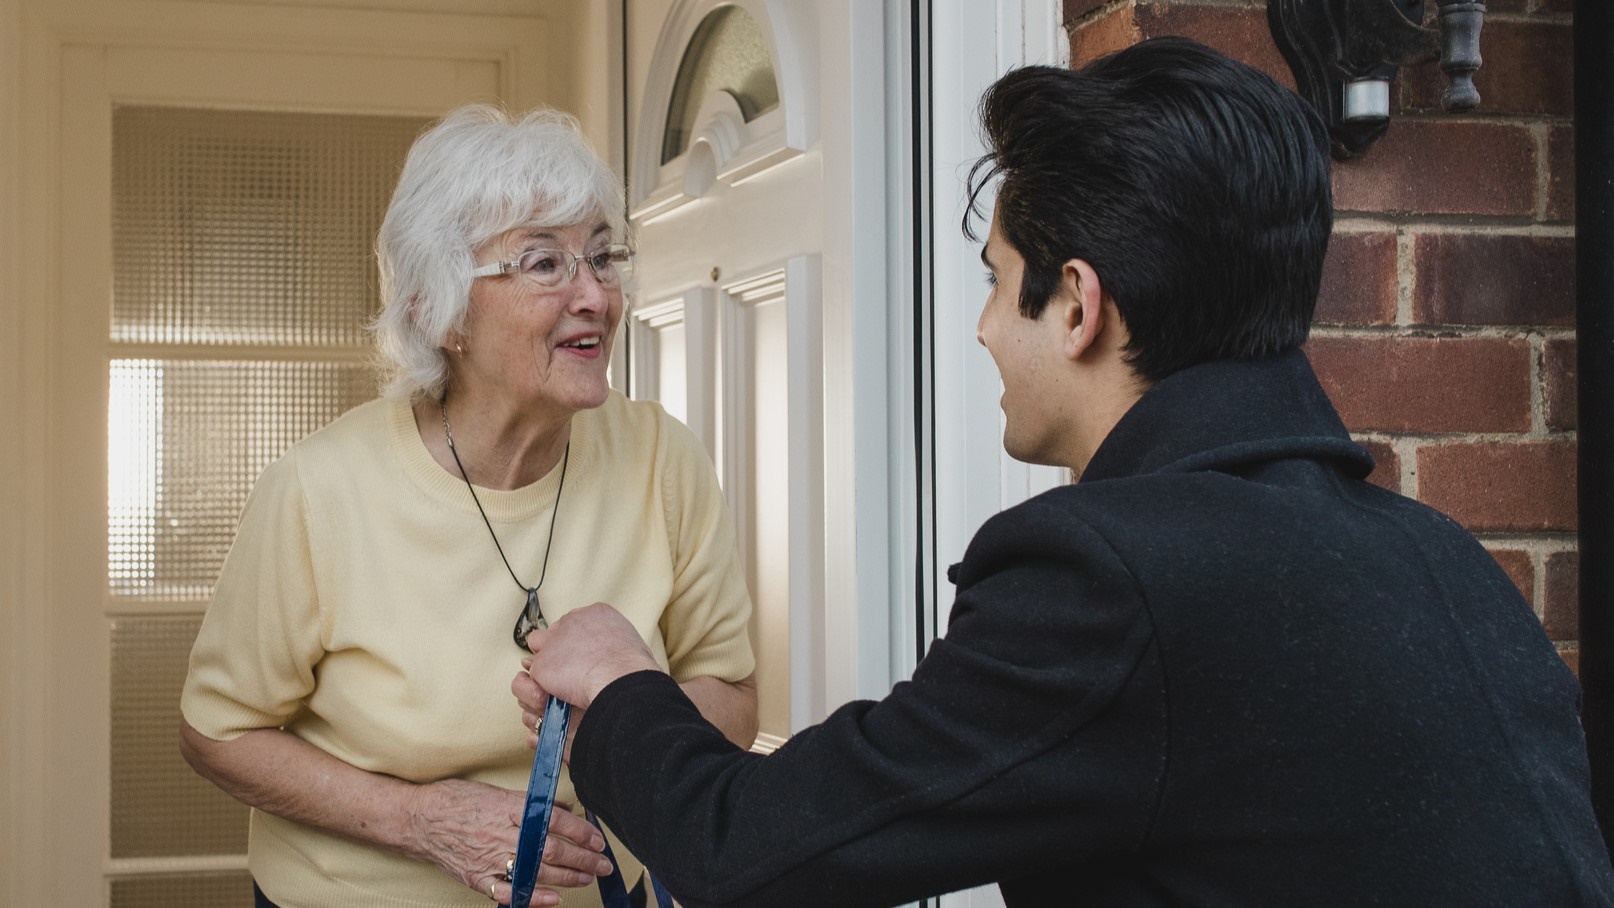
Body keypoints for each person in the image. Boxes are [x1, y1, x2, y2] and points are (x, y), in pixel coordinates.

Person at [511, 38, 1614, 907]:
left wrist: (620, 683)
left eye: (998, 281)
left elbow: (750, 853)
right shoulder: (1445, 557)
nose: (985, 328)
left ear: (1079, 305)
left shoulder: (1114, 578)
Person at [180, 105, 758, 908]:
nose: (595, 295)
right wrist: (421, 821)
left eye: (602, 256)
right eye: (545, 263)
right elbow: (218, 730)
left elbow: (729, 693)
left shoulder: (663, 458)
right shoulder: (319, 490)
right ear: (439, 309)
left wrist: (621, 728)